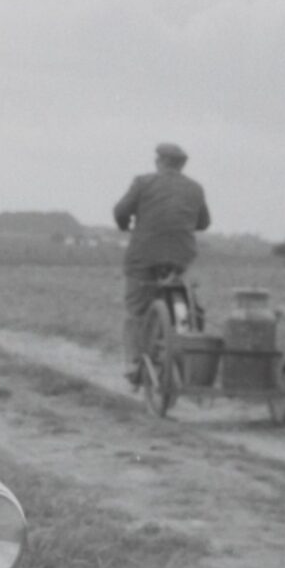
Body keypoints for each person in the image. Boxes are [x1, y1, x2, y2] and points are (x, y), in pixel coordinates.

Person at [113, 142, 210, 386]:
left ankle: (134, 361)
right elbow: (204, 222)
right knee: (184, 299)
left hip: (143, 256)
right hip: (180, 257)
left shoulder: (143, 183)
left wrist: (125, 225)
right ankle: (185, 344)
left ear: (160, 162)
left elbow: (121, 210)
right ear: (182, 165)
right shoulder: (195, 189)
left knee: (135, 307)